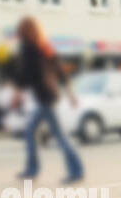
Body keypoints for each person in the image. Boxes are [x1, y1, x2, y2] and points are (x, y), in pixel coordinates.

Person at [10, 17, 83, 182]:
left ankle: (75, 170)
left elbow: (25, 74)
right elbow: (60, 71)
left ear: (24, 32)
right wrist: (70, 94)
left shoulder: (29, 48)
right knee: (31, 132)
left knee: (58, 136)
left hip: (45, 98)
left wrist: (17, 94)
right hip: (49, 96)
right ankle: (32, 169)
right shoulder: (44, 47)